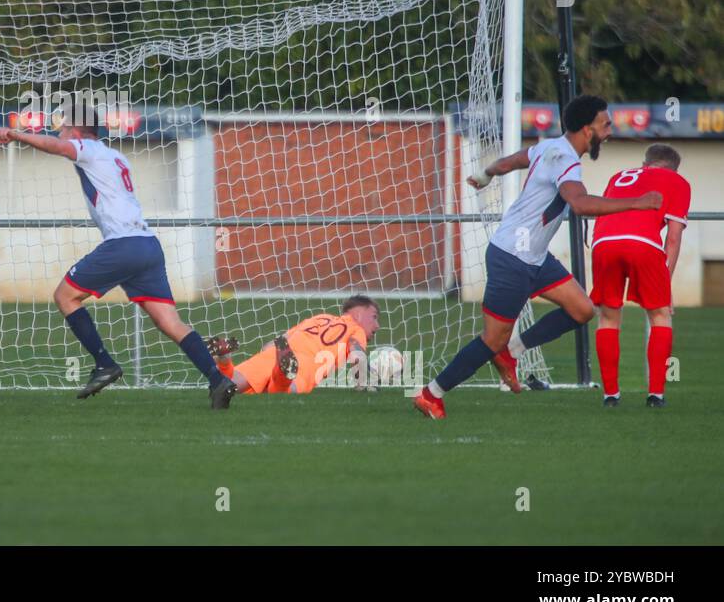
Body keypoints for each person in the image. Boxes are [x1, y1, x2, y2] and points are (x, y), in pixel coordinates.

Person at [414, 94, 661, 419]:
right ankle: (432, 393)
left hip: (534, 258)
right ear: (587, 130)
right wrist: (637, 202)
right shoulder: (565, 161)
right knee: (491, 338)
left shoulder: (549, 146)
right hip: (512, 258)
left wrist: (488, 173)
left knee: (582, 310)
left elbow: (511, 161)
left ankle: (511, 352)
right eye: (605, 125)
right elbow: (580, 204)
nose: (609, 131)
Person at [0, 102, 237, 409]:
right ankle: (217, 379)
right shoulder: (115, 155)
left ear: (76, 132)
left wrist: (15, 134)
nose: (60, 133)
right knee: (171, 322)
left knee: (65, 296)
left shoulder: (88, 149)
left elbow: (55, 146)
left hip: (124, 245)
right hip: (147, 246)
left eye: (64, 128)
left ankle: (104, 362)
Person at [590, 144, 691, 408]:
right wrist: (665, 288)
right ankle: (655, 395)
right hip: (642, 243)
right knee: (660, 314)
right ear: (673, 168)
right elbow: (673, 237)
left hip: (603, 242)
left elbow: (601, 213)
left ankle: (610, 396)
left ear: (646, 163)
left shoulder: (618, 176)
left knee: (608, 317)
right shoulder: (678, 181)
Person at [207, 296, 382, 395]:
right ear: (358, 313)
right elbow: (356, 351)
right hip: (306, 363)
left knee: (228, 387)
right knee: (281, 394)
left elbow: (274, 343)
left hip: (276, 351)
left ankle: (224, 361)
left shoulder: (320, 317)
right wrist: (363, 383)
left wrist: (266, 357)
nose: (377, 325)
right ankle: (282, 377)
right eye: (374, 316)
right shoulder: (355, 329)